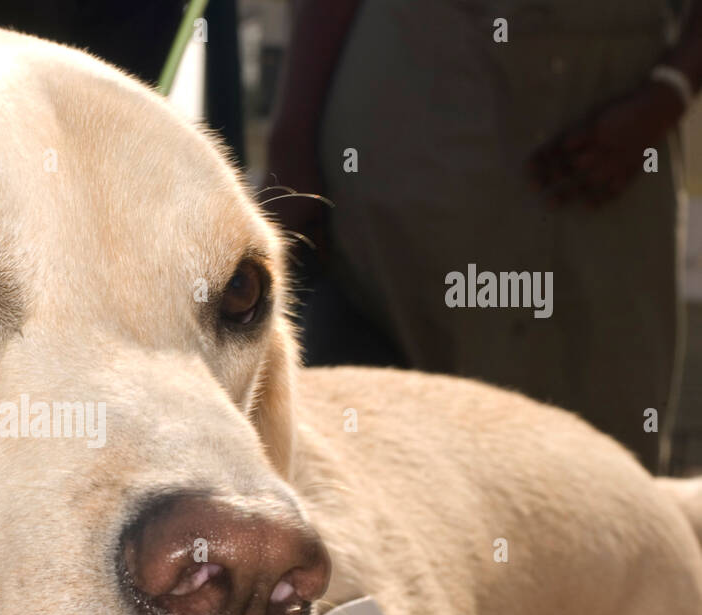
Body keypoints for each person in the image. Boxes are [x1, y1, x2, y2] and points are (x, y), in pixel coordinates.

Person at [268, 0, 702, 472]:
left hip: (617, 146)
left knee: (610, 476)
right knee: (403, 468)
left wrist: (670, 92)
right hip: (414, 121)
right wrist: (291, 140)